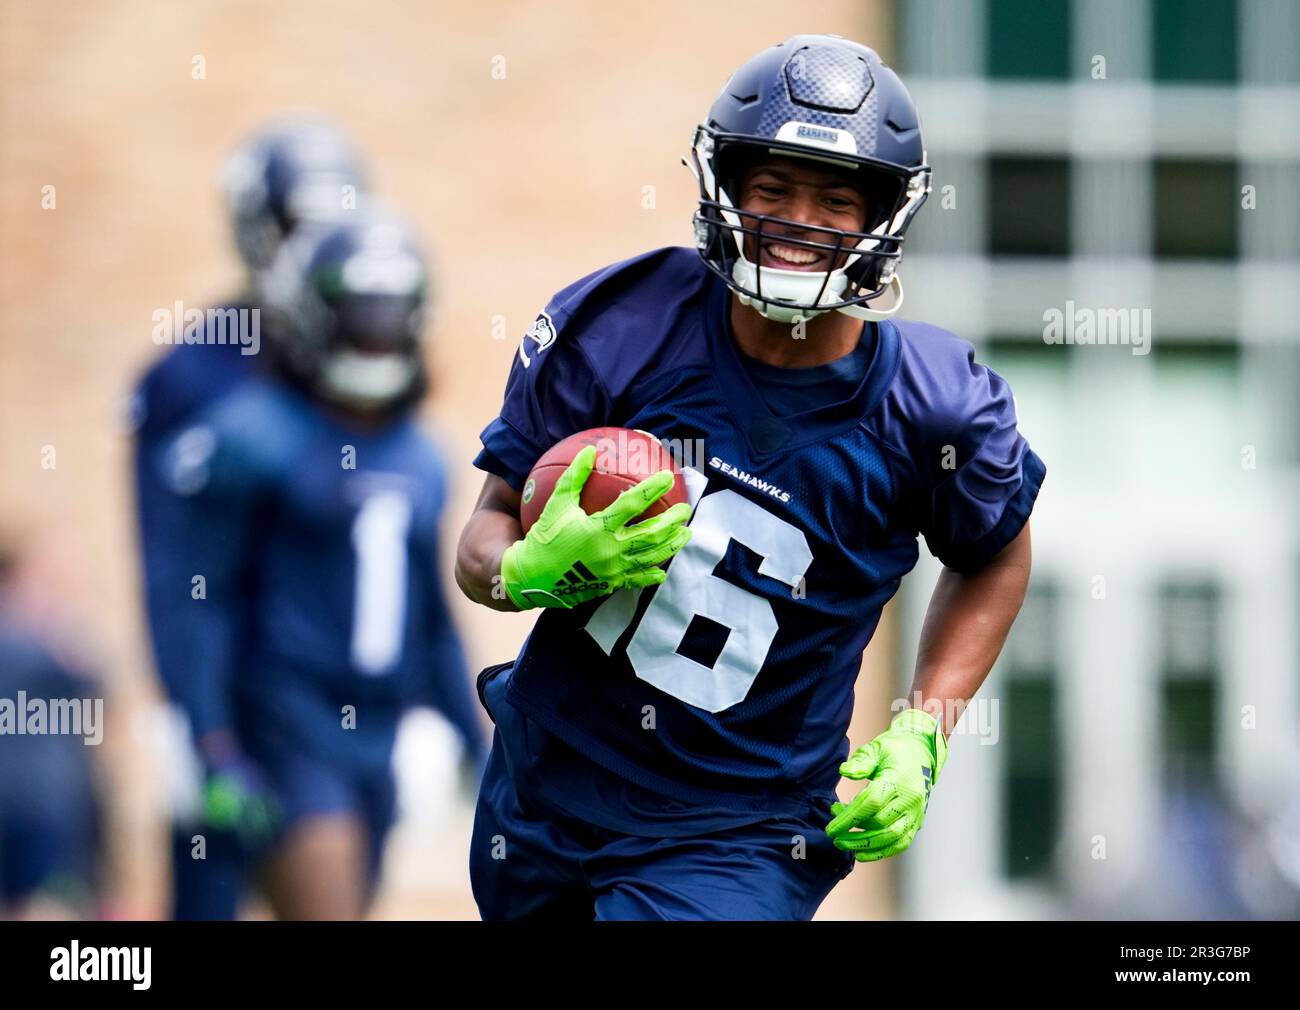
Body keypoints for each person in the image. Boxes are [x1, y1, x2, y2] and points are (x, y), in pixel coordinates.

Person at [456, 34, 1044, 920]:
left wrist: (926, 722)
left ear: (882, 219)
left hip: (741, 830)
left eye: (835, 199)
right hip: (543, 782)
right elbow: (483, 537)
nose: (798, 219)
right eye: (772, 188)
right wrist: (527, 569)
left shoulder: (936, 409)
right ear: (724, 189)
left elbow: (994, 553)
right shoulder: (624, 325)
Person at [150, 207, 485, 919]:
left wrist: (473, 733)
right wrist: (210, 741)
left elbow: (431, 616)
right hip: (287, 724)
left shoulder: (421, 455)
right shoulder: (253, 437)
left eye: (391, 310)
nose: (378, 328)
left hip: (381, 733)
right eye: (360, 310)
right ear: (314, 314)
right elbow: (200, 599)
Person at [129, 118, 369, 918]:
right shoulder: (194, 373)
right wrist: (195, 721)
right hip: (232, 691)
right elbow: (172, 562)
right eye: (305, 227)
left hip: (329, 707)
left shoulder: (356, 360)